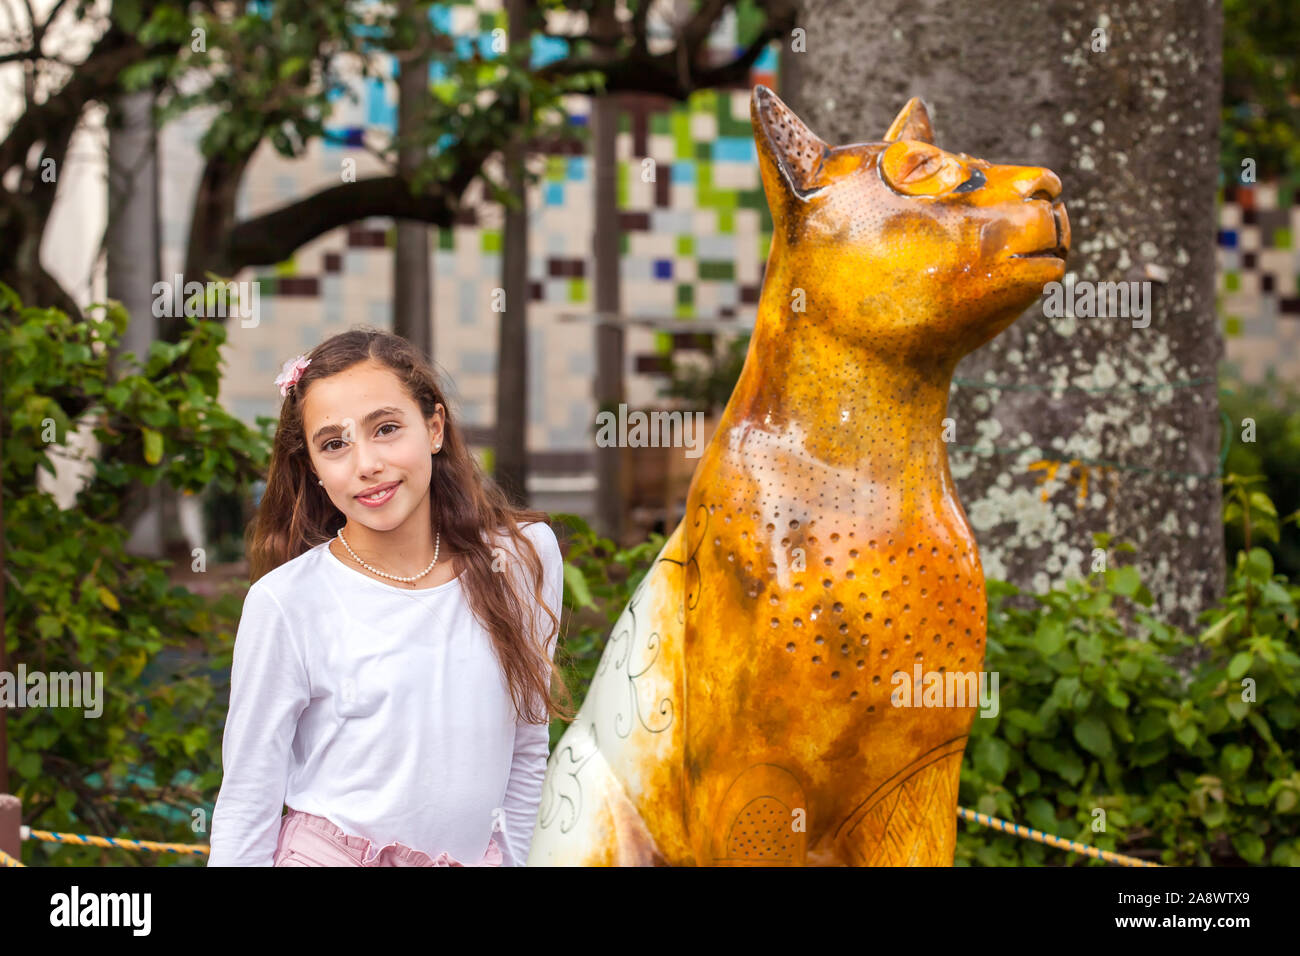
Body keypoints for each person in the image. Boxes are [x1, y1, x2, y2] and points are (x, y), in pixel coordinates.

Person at [208, 328, 573, 866]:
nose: (366, 464)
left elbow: (525, 749)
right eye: (334, 443)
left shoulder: (521, 559)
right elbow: (248, 798)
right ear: (312, 465)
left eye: (385, 429)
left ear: (435, 427)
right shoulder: (286, 603)